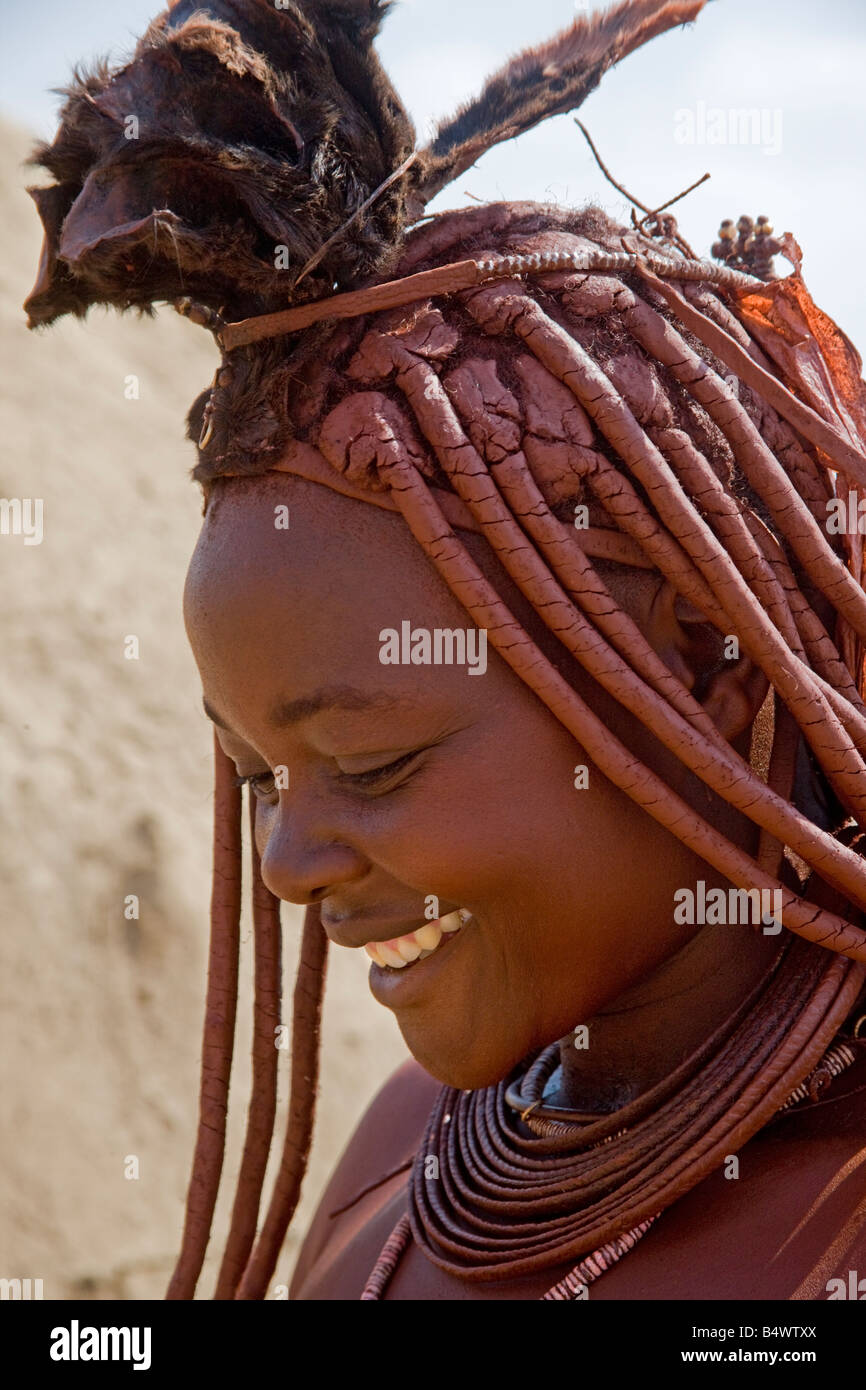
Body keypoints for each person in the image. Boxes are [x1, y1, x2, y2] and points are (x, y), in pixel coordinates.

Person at [24, 0, 866, 1301]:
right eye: (257, 775)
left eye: (367, 761)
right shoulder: (401, 1156)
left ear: (704, 658)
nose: (286, 865)